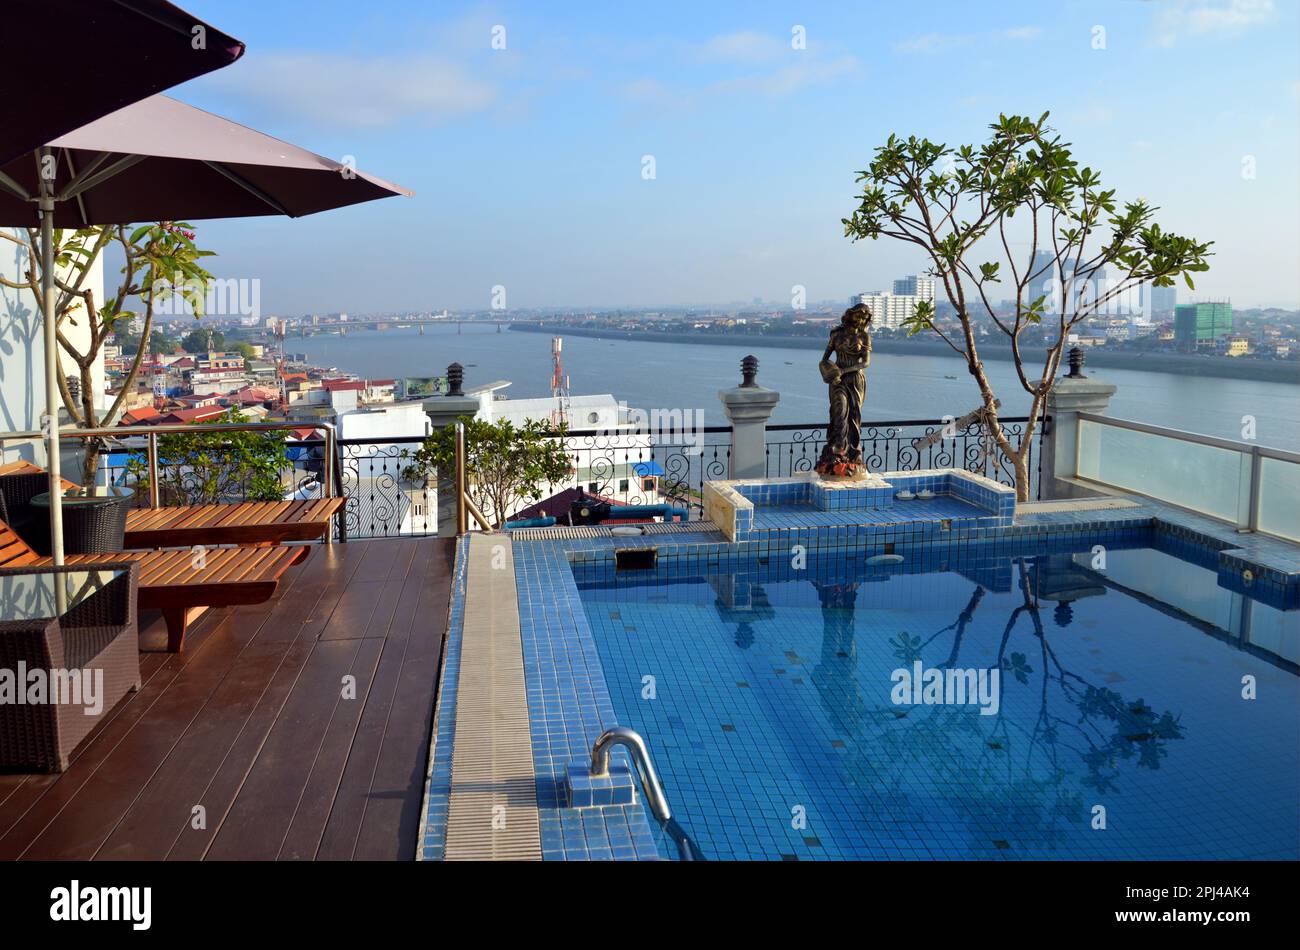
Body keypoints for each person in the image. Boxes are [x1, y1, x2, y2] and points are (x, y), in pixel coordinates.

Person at [815, 304, 872, 476]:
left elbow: (865, 363)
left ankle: (852, 452)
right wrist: (830, 372)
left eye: (864, 318)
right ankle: (837, 449)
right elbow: (825, 358)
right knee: (839, 410)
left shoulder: (864, 336)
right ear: (850, 315)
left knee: (854, 416)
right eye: (858, 316)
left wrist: (844, 370)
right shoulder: (836, 334)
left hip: (855, 380)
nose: (860, 320)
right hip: (837, 380)